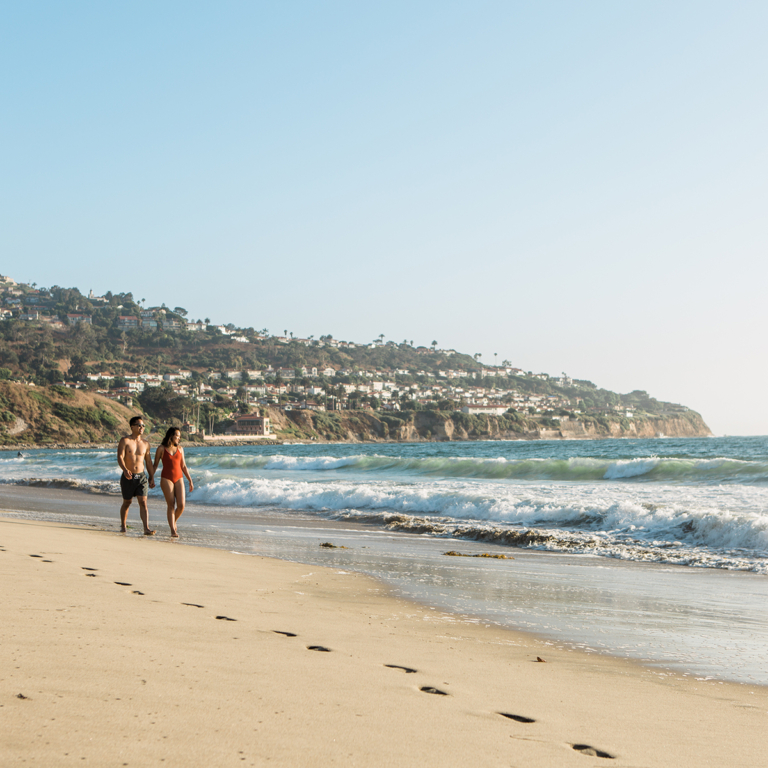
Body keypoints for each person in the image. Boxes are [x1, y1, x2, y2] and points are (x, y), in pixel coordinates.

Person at [116, 415, 156, 535]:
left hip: (141, 477)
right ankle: (123, 526)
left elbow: (148, 462)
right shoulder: (125, 441)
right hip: (128, 476)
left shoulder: (146, 443)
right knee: (127, 502)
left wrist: (152, 476)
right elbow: (120, 457)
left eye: (143, 425)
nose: (142, 428)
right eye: (139, 425)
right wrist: (124, 469)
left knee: (143, 502)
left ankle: (146, 528)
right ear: (132, 426)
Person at [153, 427, 193, 538]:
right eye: (177, 436)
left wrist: (190, 480)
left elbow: (183, 466)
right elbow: (155, 464)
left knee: (181, 505)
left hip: (179, 478)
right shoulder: (161, 448)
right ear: (171, 435)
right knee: (171, 505)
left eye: (180, 437)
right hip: (166, 478)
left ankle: (173, 521)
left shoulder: (180, 449)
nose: (179, 438)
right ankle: (172, 530)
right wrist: (151, 477)